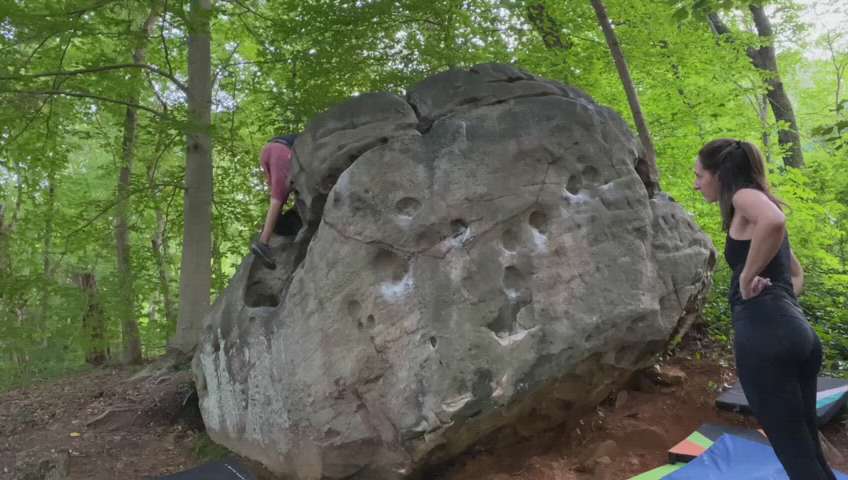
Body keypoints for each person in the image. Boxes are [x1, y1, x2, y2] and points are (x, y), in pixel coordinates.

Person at [694, 139, 836, 480]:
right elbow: (796, 274)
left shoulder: (743, 196)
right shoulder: (749, 215)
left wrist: (746, 278)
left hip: (765, 339)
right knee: (806, 449)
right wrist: (780, 300)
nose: (696, 183)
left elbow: (774, 219)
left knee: (796, 456)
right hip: (796, 335)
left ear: (720, 175)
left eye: (699, 175)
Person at [250, 134, 302, 269]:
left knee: (279, 194)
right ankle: (263, 243)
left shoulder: (299, 137)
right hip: (282, 151)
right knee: (278, 197)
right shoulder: (308, 139)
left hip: (267, 150)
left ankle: (273, 223)